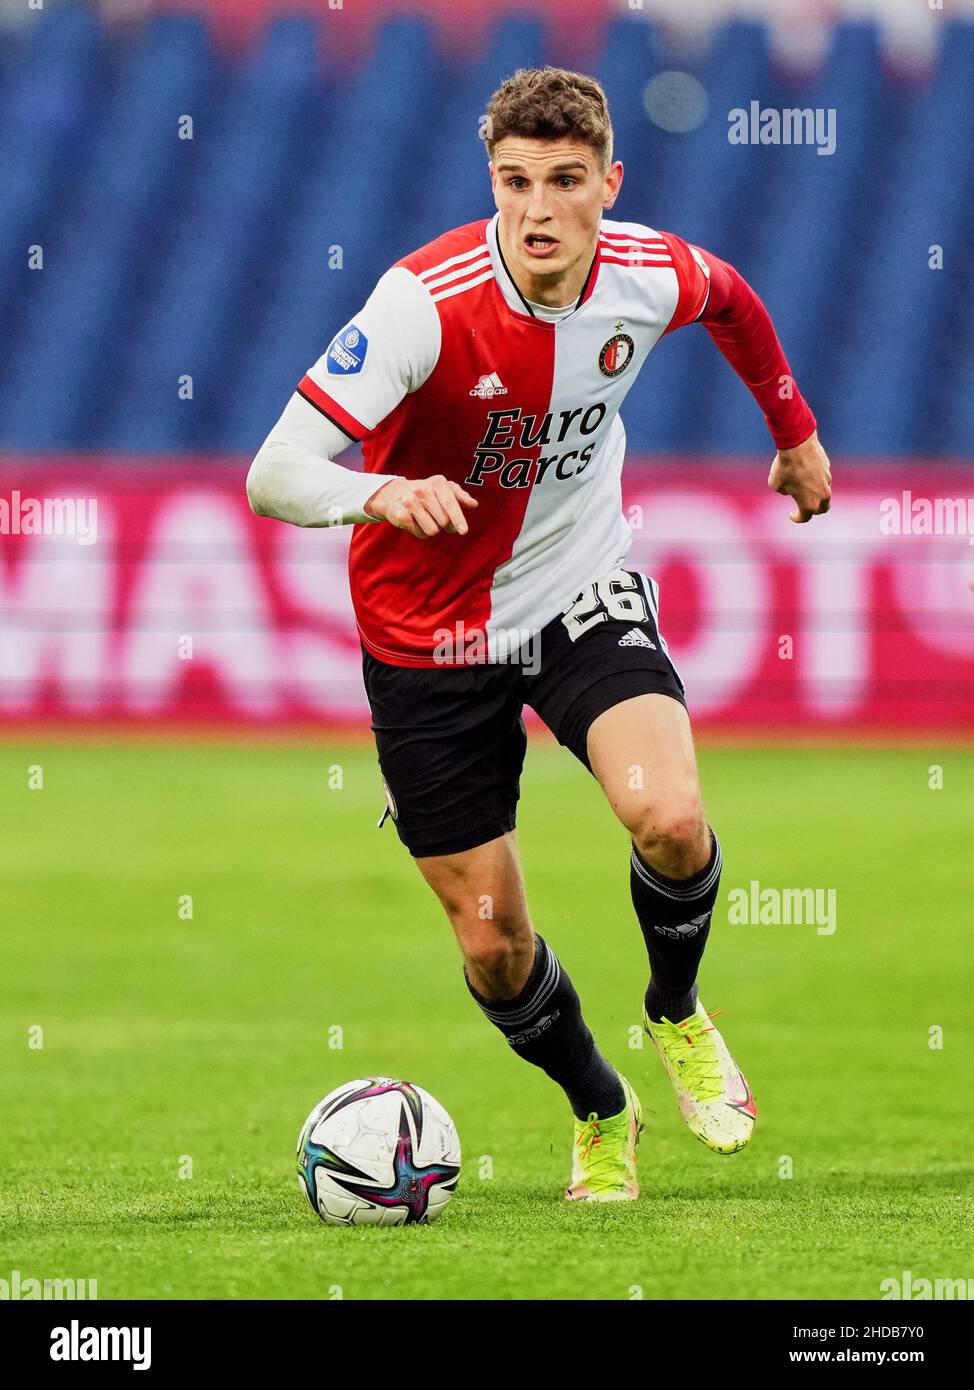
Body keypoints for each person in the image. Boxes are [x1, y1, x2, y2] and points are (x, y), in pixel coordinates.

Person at [247, 66, 832, 1201]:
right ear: (493, 184)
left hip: (575, 589)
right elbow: (274, 472)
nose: (538, 209)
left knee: (667, 815)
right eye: (515, 182)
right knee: (492, 945)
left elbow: (734, 302)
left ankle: (674, 1008)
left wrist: (795, 433)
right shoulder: (421, 305)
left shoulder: (646, 272)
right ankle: (598, 1107)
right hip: (427, 639)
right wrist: (375, 494)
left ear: (607, 184)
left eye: (565, 181)